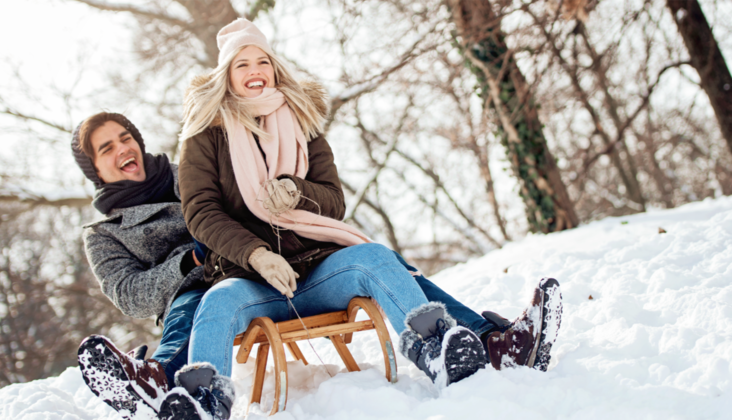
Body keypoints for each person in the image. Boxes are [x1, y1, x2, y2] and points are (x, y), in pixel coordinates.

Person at [162, 18, 562, 420]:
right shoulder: (205, 134)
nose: (255, 71)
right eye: (242, 64)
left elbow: (333, 201)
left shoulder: (303, 122)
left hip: (317, 271)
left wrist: (297, 191)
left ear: (275, 67)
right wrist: (257, 254)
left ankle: (440, 352)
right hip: (251, 283)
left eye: (262, 61)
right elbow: (201, 212)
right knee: (215, 302)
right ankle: (203, 404)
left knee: (375, 257)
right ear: (227, 75)